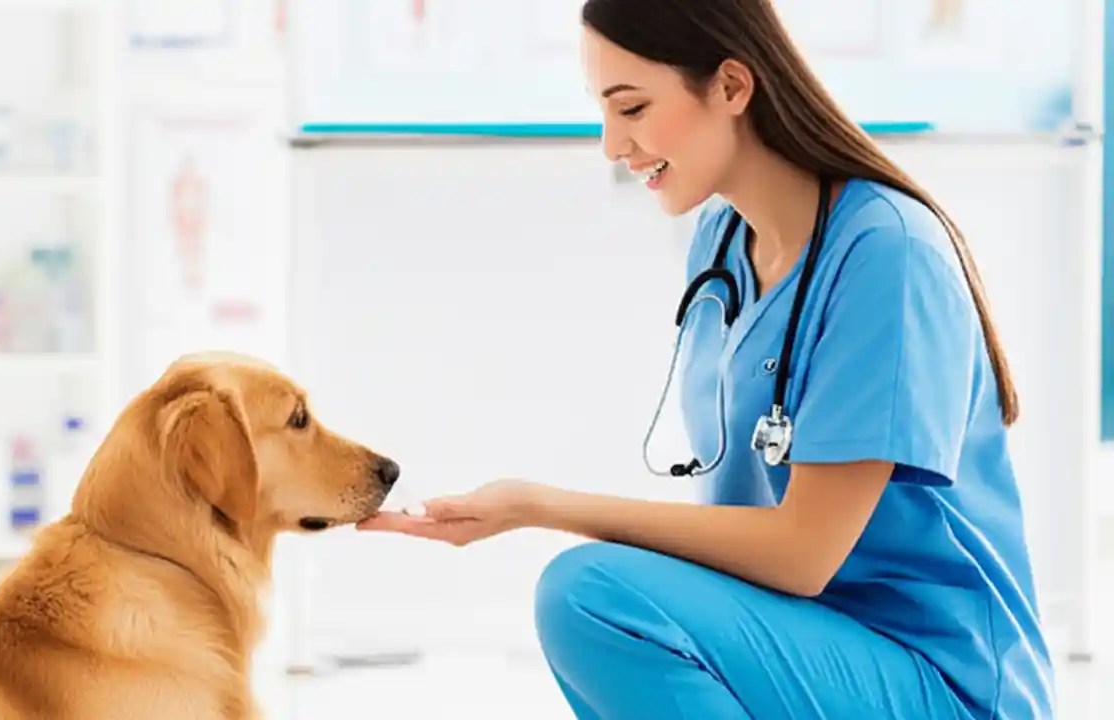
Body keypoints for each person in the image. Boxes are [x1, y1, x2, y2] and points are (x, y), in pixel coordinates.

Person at [356, 1, 1055, 718]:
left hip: (938, 679)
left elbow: (801, 554)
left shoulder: (887, 252)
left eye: (631, 107)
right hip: (804, 645)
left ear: (730, 87)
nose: (610, 144)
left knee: (592, 595)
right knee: (596, 611)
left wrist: (540, 506)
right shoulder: (722, 245)